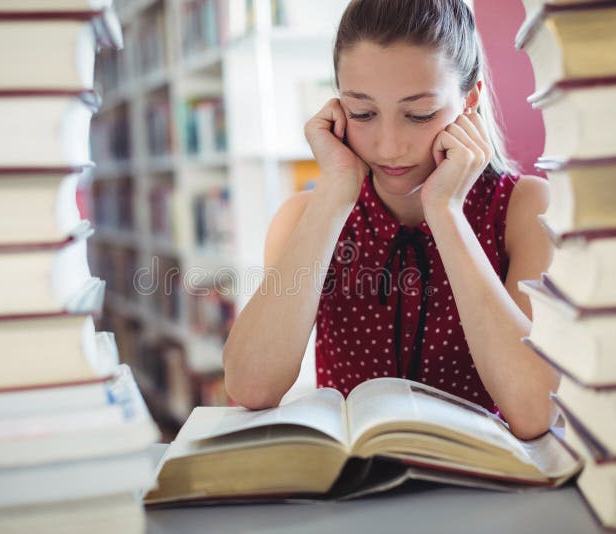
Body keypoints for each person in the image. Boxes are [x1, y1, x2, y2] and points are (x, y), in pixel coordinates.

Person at [222, 0, 559, 440]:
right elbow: (250, 385)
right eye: (362, 113)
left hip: (483, 493)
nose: (389, 147)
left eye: (419, 114)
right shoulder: (304, 217)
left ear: (469, 100)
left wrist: (447, 212)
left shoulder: (524, 209)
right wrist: (332, 197)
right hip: (356, 494)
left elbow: (533, 411)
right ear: (338, 107)